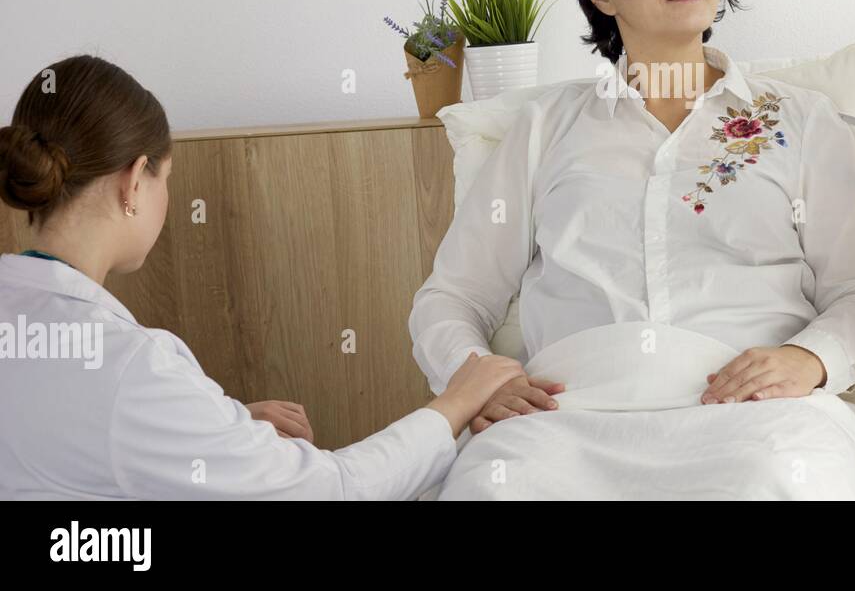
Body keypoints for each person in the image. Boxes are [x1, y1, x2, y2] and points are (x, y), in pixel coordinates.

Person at [409, 0, 855, 500]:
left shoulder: (802, 120)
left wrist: (809, 360)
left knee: (778, 483)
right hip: (567, 419)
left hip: (758, 418)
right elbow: (453, 295)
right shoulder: (544, 128)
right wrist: (473, 377)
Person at [0, 54, 523, 499]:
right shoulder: (129, 367)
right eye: (167, 178)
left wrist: (212, 427)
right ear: (134, 182)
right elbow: (334, 490)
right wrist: (454, 403)